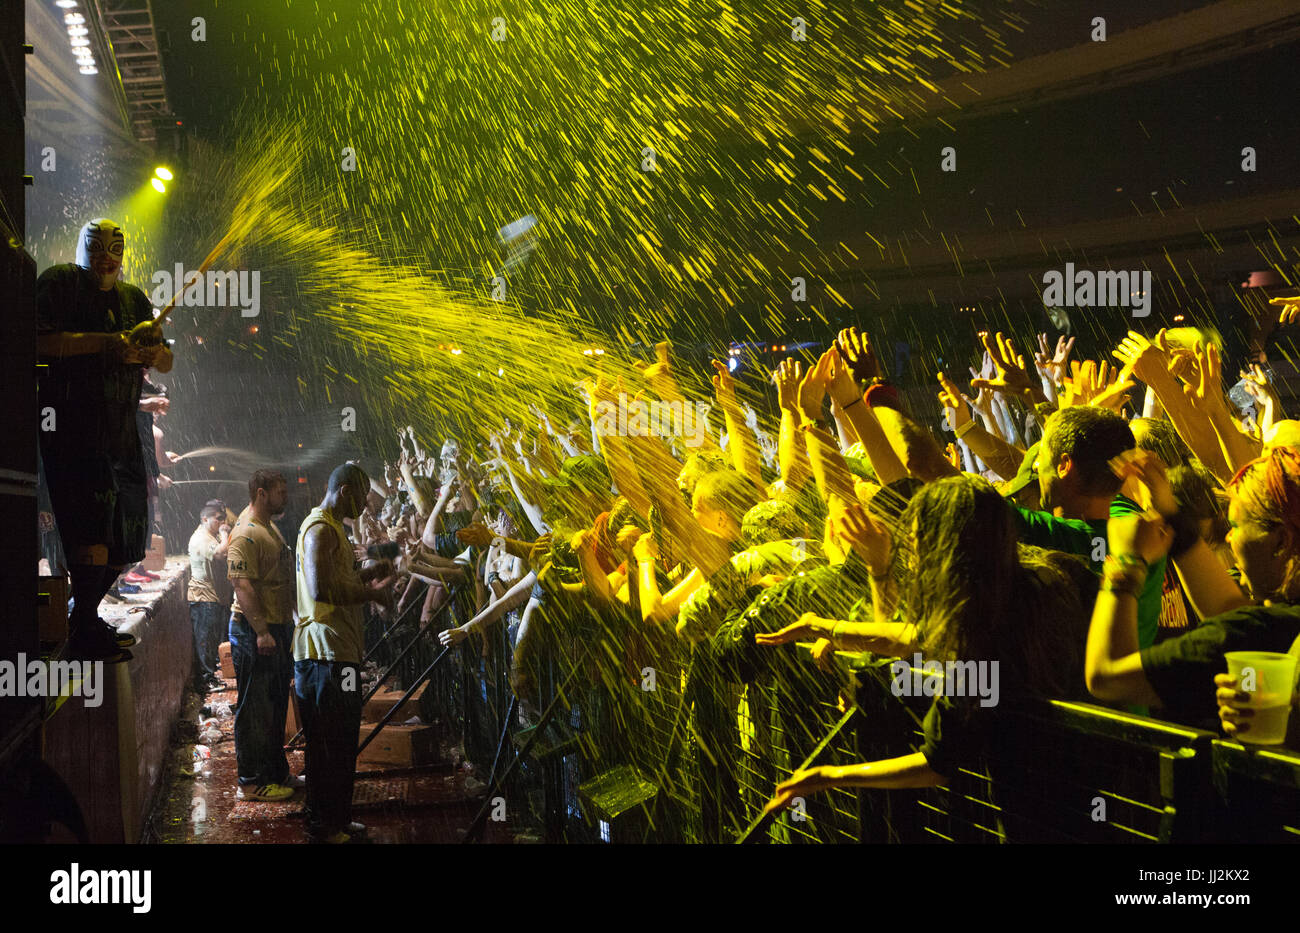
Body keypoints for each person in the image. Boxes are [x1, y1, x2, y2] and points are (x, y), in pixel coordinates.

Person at [36, 217, 172, 661]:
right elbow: (39, 343)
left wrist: (152, 349)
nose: (106, 258)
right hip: (75, 430)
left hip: (123, 433)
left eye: (115, 249)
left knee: (129, 537)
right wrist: (107, 344)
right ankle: (84, 627)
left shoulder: (134, 299)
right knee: (92, 532)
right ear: (83, 248)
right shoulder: (60, 284)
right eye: (96, 248)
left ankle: (85, 618)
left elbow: (167, 359)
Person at [1087, 447, 1300, 727]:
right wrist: (1170, 516)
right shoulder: (1278, 625)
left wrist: (1126, 563)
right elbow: (1227, 607)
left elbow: (1107, 676)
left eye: (1236, 524)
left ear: (1282, 542)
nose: (1229, 535)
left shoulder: (1251, 635)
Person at [294, 463, 394, 843]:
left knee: (342, 740)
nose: (365, 505)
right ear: (346, 490)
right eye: (363, 495)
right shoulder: (320, 529)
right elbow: (320, 590)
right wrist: (372, 593)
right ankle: (322, 825)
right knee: (327, 744)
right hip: (324, 656)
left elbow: (338, 580)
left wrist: (368, 573)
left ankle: (336, 816)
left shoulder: (333, 527)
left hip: (340, 653)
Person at [227, 469, 299, 802]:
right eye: (280, 492)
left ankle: (276, 772)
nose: (286, 498)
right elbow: (242, 586)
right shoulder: (246, 533)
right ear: (261, 493)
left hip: (275, 627)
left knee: (272, 706)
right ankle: (252, 782)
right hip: (255, 629)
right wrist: (262, 632)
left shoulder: (269, 526)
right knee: (254, 708)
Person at [187, 503, 231, 691]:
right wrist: (224, 534)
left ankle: (209, 675)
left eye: (223, 518)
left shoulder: (208, 536)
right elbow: (222, 553)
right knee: (205, 640)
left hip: (213, 597)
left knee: (212, 640)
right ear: (205, 519)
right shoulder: (201, 538)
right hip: (204, 598)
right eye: (218, 518)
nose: (222, 522)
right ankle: (205, 680)